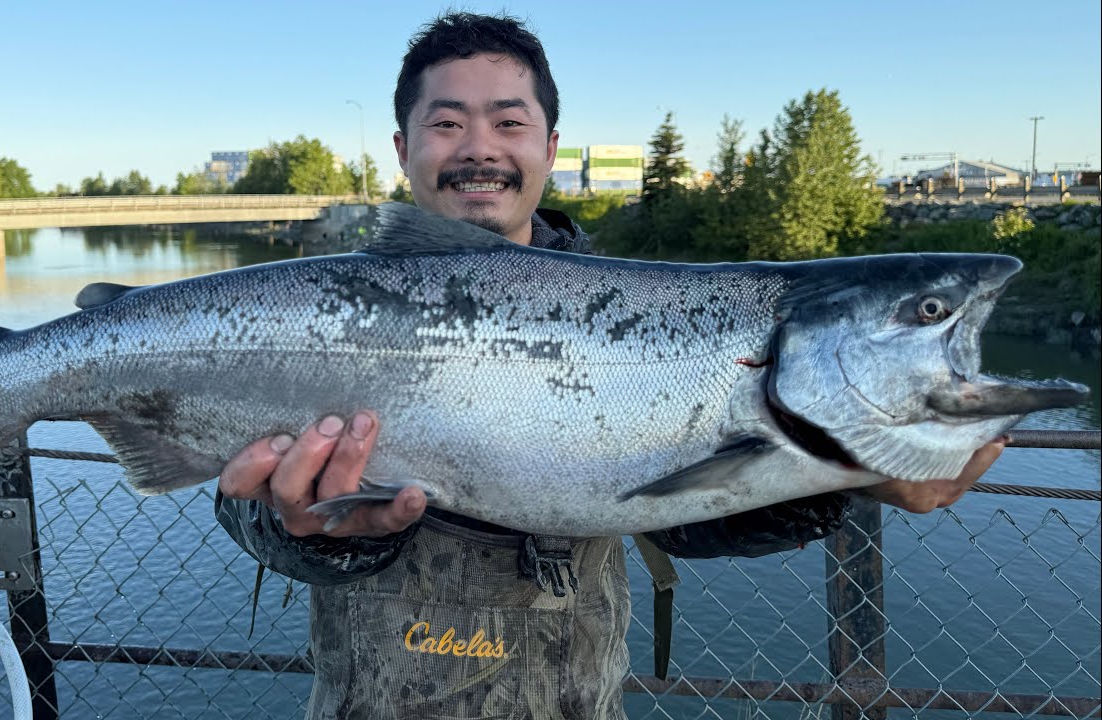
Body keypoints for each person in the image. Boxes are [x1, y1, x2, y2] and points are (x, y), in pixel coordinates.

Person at [215, 12, 1003, 719]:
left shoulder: (643, 305)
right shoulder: (312, 304)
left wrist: (848, 479)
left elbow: (694, 525)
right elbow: (247, 517)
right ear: (404, 149)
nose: (479, 147)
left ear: (549, 147)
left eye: (508, 122)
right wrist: (317, 530)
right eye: (447, 123)